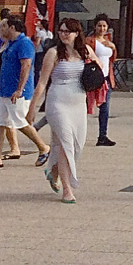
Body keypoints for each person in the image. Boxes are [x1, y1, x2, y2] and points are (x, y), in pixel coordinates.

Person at [29, 18, 97, 204]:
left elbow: (99, 70)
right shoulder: (53, 53)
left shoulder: (85, 51)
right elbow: (42, 82)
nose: (64, 34)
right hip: (58, 101)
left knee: (76, 144)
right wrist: (33, 107)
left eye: (68, 31)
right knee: (66, 142)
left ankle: (54, 170)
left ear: (77, 33)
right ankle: (67, 189)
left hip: (78, 101)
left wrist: (93, 71)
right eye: (61, 31)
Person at [0, 16, 50, 167]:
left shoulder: (24, 43)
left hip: (17, 92)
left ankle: (43, 147)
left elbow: (26, 66)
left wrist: (19, 89)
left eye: (3, 27)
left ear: (12, 28)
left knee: (19, 122)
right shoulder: (9, 44)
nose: (0, 30)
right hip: (5, 91)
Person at [87, 16, 117, 146]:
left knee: (105, 108)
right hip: (93, 77)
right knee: (84, 105)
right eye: (99, 25)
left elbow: (112, 59)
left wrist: (113, 47)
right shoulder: (90, 41)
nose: (102, 28)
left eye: (104, 26)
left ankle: (102, 136)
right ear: (95, 26)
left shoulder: (107, 41)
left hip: (106, 78)